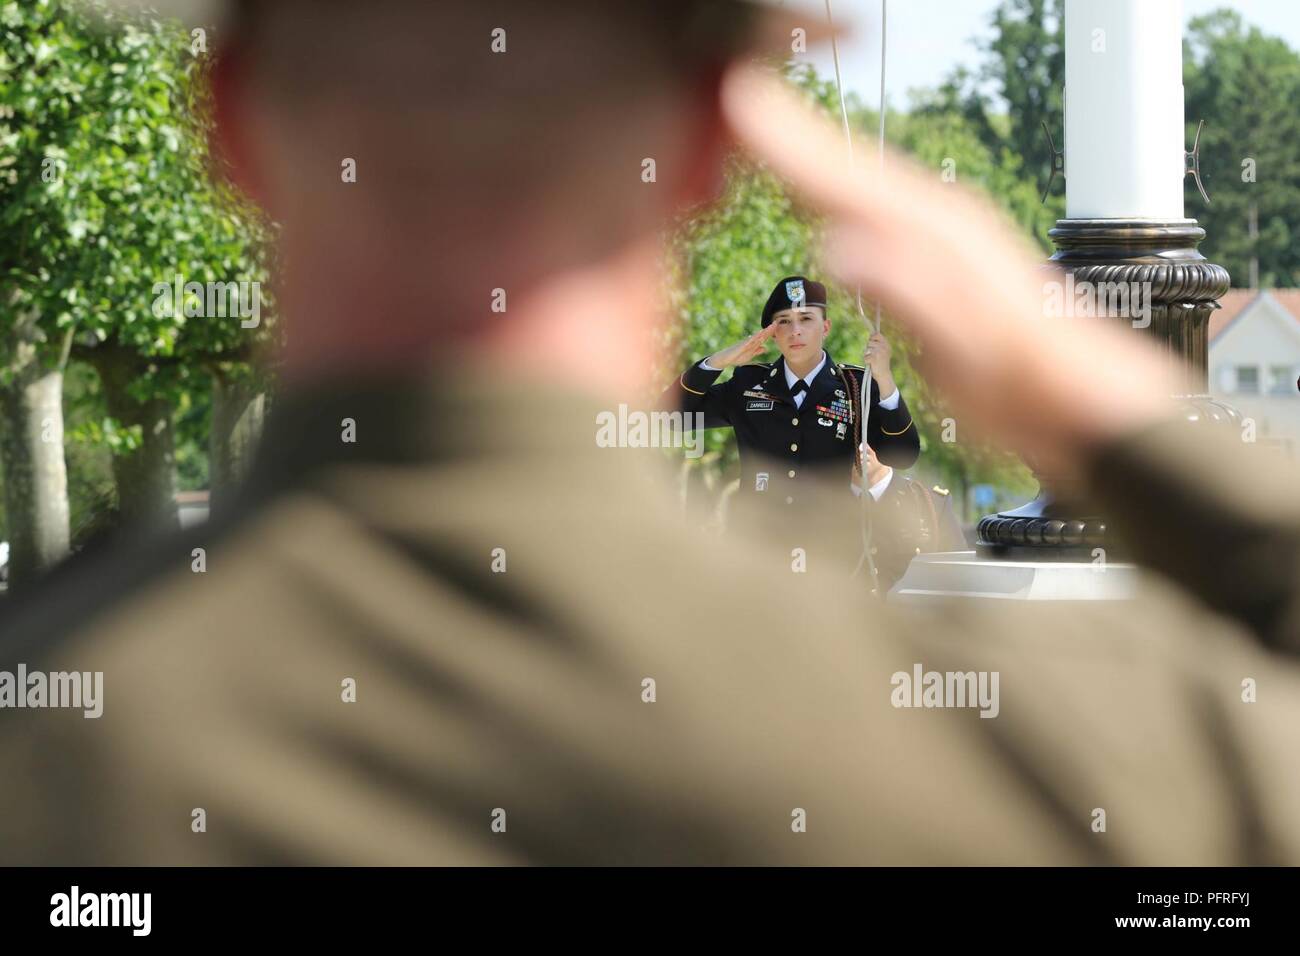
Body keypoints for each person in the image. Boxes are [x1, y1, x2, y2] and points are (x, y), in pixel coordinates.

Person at [1, 0, 1298, 866]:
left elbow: (862, 451)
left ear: (221, 121)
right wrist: (1087, 388)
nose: (795, 337)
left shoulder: (52, 711)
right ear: (703, 151)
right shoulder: (1049, 748)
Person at [663, 275, 918, 517]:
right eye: (784, 321)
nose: (795, 330)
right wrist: (719, 361)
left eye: (806, 318)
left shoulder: (854, 387)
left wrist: (884, 378)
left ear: (825, 327)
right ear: (773, 332)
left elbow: (902, 456)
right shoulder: (747, 384)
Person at [858, 443, 967, 591]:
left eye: (870, 434)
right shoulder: (817, 504)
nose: (860, 447)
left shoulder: (932, 505)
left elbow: (958, 583)